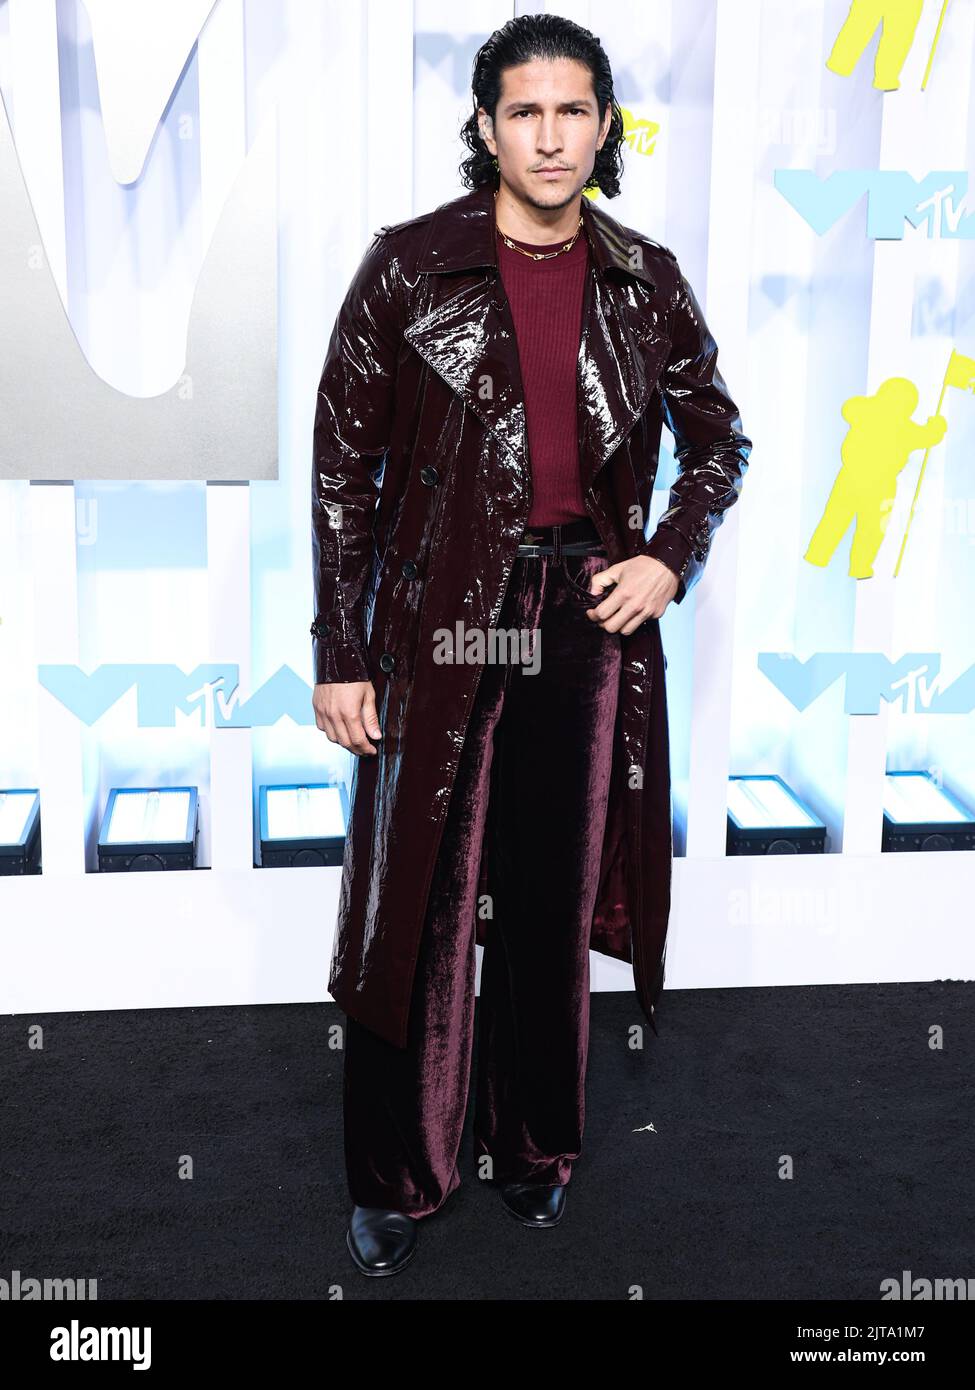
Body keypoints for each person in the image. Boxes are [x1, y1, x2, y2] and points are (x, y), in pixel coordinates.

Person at [310, 13, 752, 1277]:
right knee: (426, 897)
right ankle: (399, 1173)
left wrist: (670, 552)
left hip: (583, 618)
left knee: (552, 898)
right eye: (525, 113)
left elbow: (719, 438)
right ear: (486, 127)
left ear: (605, 125)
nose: (550, 137)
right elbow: (344, 471)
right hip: (449, 613)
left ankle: (535, 1149)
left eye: (573, 112)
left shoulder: (645, 276)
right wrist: (343, 648)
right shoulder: (409, 268)